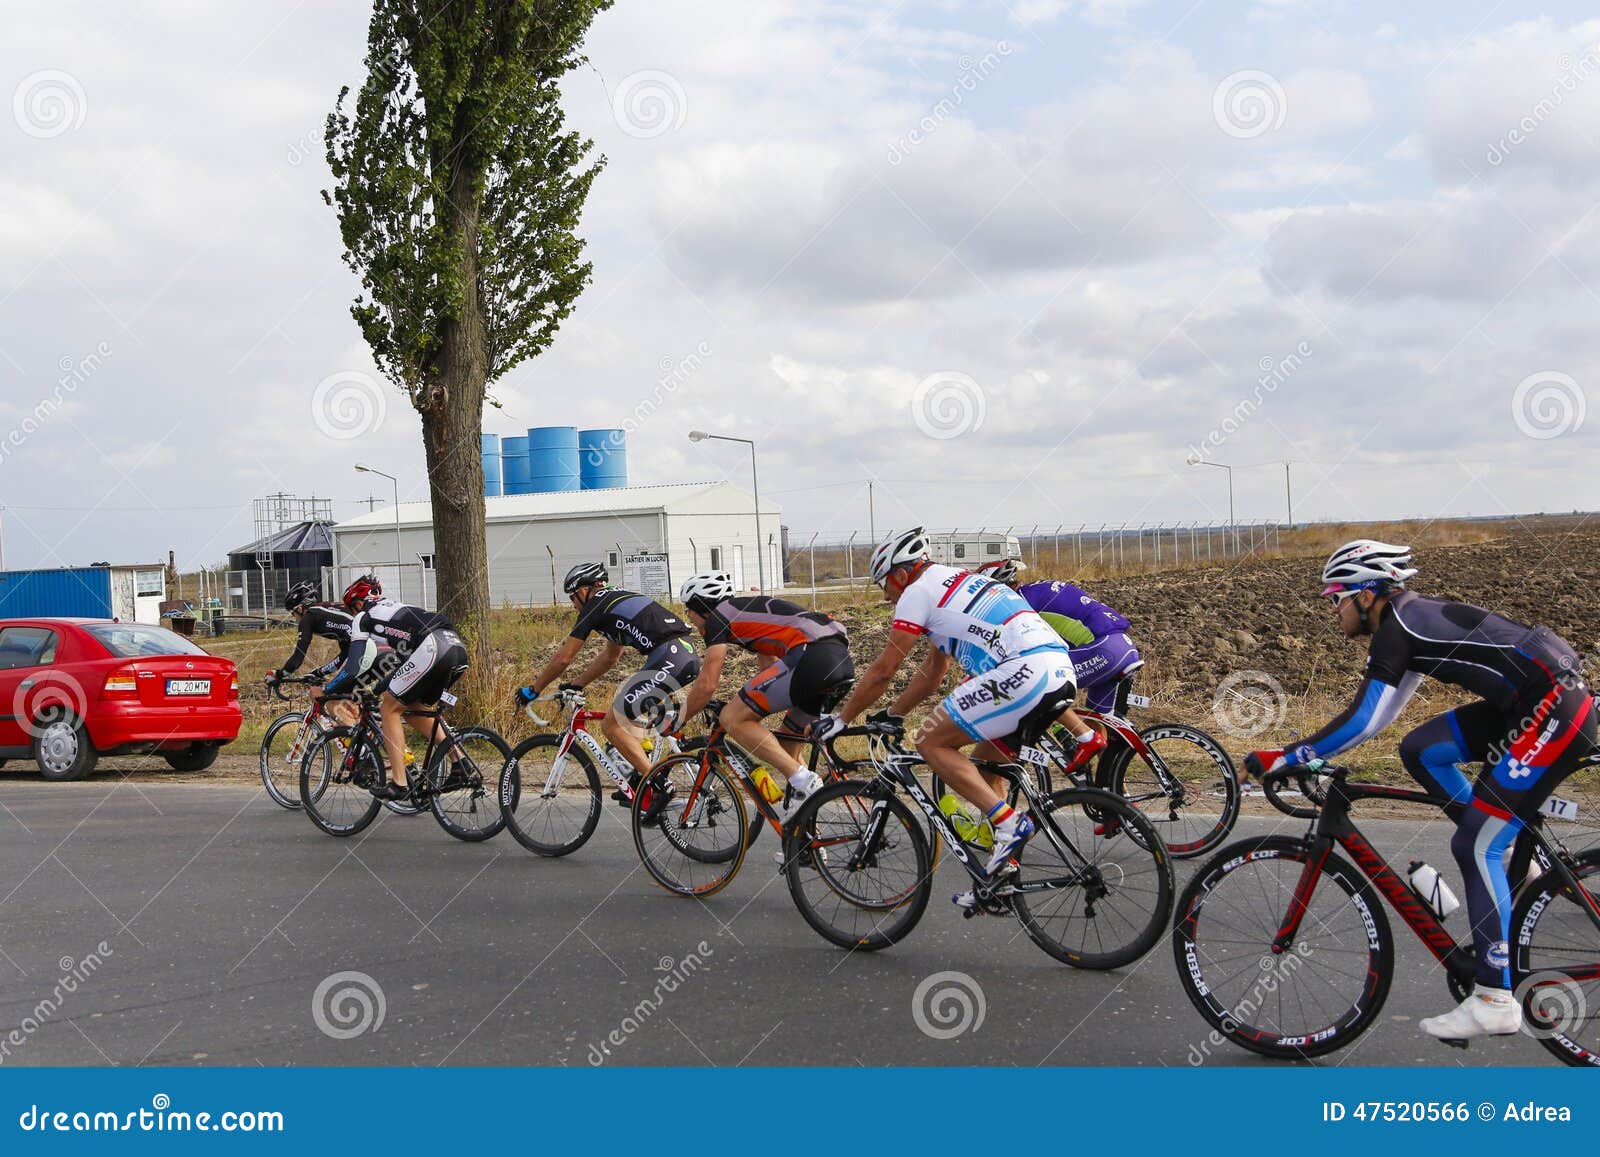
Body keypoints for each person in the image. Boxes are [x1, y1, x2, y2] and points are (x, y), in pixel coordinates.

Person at [1243, 540, 1597, 1041]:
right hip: (1537, 703)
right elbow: (1382, 718)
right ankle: (1513, 850)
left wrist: (1285, 757)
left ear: (1366, 596)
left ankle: (1494, 999)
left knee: (1474, 844)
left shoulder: (1397, 629)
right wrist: (1314, 753)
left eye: (1335, 597)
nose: (1333, 609)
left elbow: (1364, 721)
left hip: (1553, 711)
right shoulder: (1407, 622)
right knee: (1422, 749)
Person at [815, 528, 1090, 906]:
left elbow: (883, 669)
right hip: (1059, 672)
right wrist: (893, 714)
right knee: (983, 769)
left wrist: (842, 719)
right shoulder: (957, 584)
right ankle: (999, 879)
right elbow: (933, 672)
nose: (885, 595)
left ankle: (1010, 824)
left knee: (930, 741)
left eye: (884, 584)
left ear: (899, 573)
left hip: (1021, 673)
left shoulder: (917, 593)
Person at [674, 571, 854, 822]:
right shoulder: (748, 612)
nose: (690, 619)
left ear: (701, 607)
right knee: (786, 749)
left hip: (811, 656)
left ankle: (805, 781)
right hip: (839, 662)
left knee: (732, 718)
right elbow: (770, 667)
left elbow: (707, 684)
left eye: (688, 611)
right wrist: (755, 711)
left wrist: (680, 718)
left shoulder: (717, 618)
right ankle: (806, 841)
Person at [516, 563, 700, 800]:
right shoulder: (612, 602)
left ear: (584, 591)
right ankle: (639, 776)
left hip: (669, 656)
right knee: (627, 707)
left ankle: (657, 786)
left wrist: (533, 690)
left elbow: (564, 658)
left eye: (573, 597)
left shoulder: (595, 605)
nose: (573, 605)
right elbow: (610, 657)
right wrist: (577, 683)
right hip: (680, 655)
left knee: (611, 725)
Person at [325, 574, 470, 800]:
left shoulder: (363, 616)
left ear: (358, 603)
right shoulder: (395, 610)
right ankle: (460, 763)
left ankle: (400, 783)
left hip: (431, 647)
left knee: (388, 709)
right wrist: (375, 690)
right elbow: (403, 665)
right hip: (455, 646)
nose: (352, 615)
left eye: (352, 609)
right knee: (413, 710)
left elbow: (352, 668)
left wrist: (328, 691)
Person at [984, 558, 1130, 767]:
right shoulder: (1033, 591)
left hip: (1104, 648)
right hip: (1119, 646)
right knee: (1097, 728)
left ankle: (1071, 734)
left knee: (1042, 685)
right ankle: (1117, 794)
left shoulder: (1021, 605)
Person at [267, 581, 357, 726]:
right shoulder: (327, 611)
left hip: (363, 651)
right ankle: (363, 740)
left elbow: (297, 659)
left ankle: (362, 745)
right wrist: (319, 673)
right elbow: (344, 656)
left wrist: (279, 674)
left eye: (293, 613)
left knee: (330, 700)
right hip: (371, 649)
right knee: (350, 701)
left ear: (300, 608)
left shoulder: (309, 617)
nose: (294, 618)